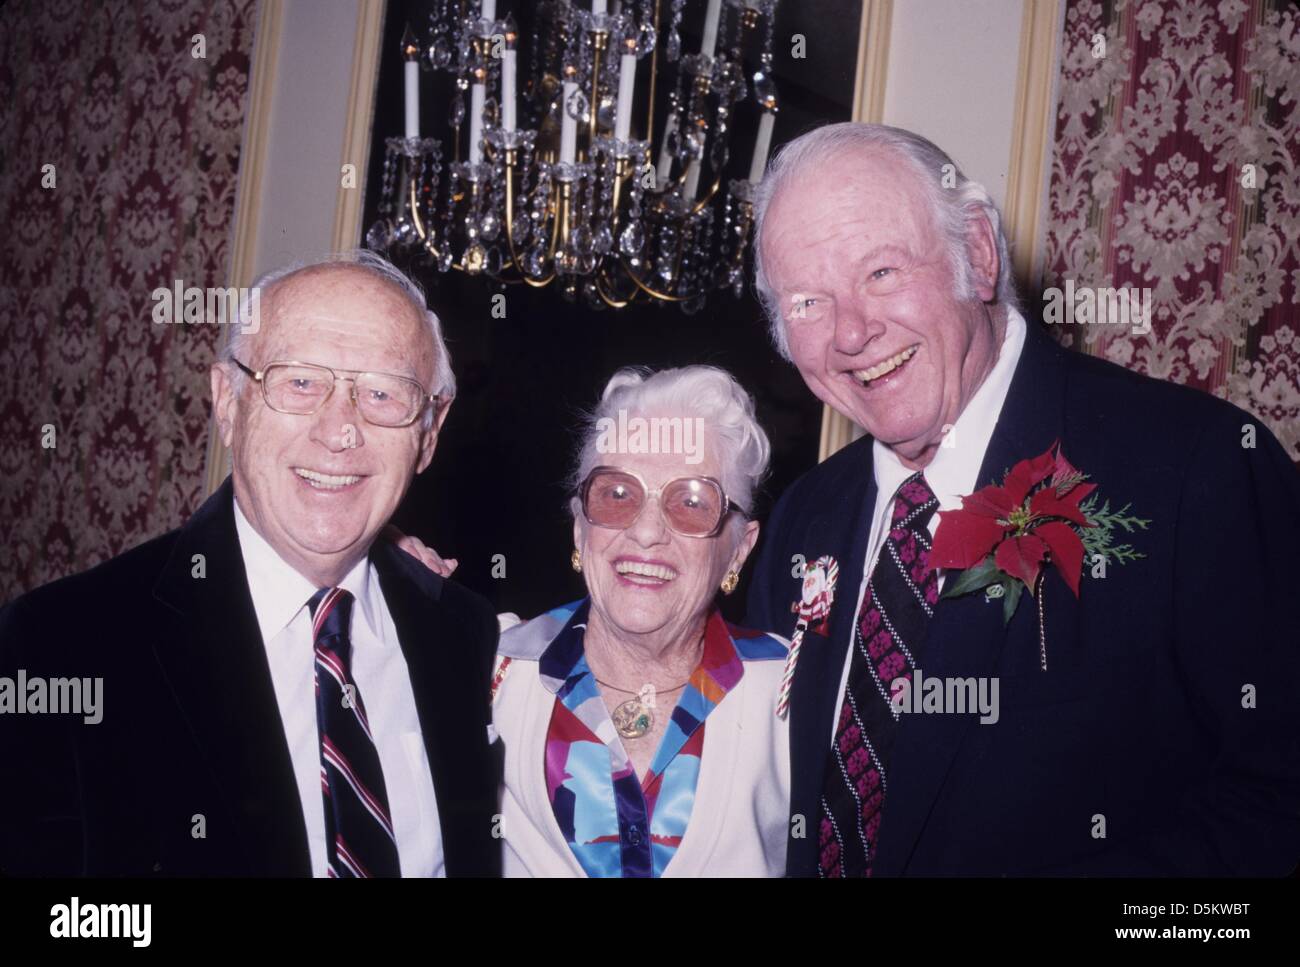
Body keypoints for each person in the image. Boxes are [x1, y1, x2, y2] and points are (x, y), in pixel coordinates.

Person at [744, 122, 1300, 876]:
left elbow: (1278, 809)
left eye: (881, 272)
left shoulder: (1195, 470)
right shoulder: (801, 523)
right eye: (808, 301)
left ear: (976, 252)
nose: (851, 332)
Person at [0, 251, 502, 877]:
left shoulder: (463, 633)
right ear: (229, 402)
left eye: (382, 392)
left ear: (428, 432)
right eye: (299, 382)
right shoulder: (63, 644)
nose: (339, 430)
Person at [491, 366, 789, 876]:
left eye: (692, 503)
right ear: (580, 529)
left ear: (738, 549)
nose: (647, 532)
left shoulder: (793, 692)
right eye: (617, 495)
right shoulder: (494, 669)